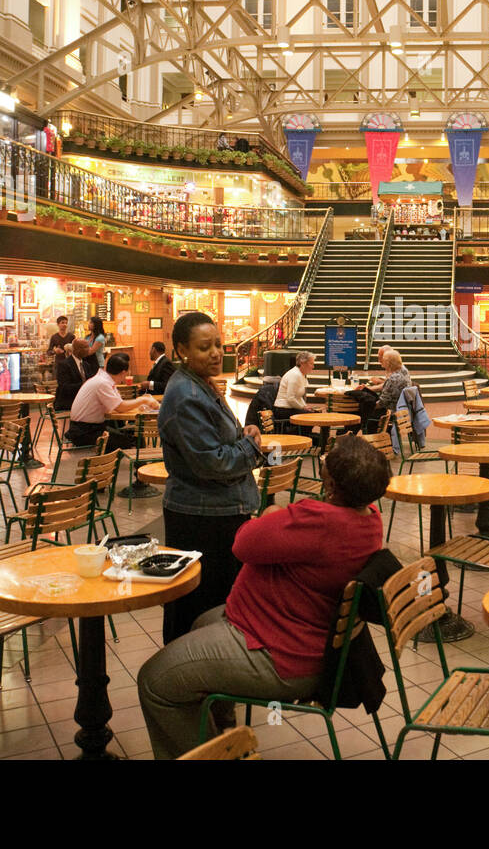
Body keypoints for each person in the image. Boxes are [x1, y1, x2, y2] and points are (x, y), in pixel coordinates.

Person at [137, 433, 390, 758]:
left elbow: (243, 543)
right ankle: (220, 725)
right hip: (301, 635)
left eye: (327, 460)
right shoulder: (369, 517)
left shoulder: (318, 522)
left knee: (155, 681)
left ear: (333, 485)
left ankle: (208, 754)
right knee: (202, 621)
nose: (323, 460)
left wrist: (272, 514)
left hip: (279, 653)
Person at [158, 311, 264, 644]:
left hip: (217, 510)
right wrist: (249, 446)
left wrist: (240, 436)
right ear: (182, 350)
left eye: (218, 344)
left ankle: (206, 681)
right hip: (202, 517)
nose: (216, 353)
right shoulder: (187, 395)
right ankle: (186, 679)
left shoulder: (200, 385)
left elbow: (217, 445)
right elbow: (211, 463)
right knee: (197, 608)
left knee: (215, 602)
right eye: (205, 347)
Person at [66, 352, 157, 449]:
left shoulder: (103, 379)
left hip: (88, 427)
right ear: (123, 372)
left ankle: (139, 463)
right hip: (84, 432)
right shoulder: (103, 383)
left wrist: (140, 401)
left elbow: (118, 404)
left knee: (133, 435)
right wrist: (143, 400)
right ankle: (139, 463)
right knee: (131, 440)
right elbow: (120, 407)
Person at [366, 348, 410, 430]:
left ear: (389, 363)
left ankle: (374, 440)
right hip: (402, 409)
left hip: (391, 412)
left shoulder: (393, 379)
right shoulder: (402, 373)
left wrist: (366, 407)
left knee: (364, 414)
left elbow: (382, 403)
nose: (381, 363)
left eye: (383, 361)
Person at [274, 351, 321, 430]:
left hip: (289, 408)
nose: (313, 367)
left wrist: (305, 406)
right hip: (282, 410)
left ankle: (308, 436)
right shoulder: (295, 375)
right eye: (311, 364)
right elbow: (290, 398)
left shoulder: (301, 374)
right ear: (302, 363)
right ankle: (303, 436)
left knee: (315, 413)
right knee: (311, 416)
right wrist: (303, 407)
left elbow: (298, 397)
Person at [53, 338, 92, 411]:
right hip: (69, 401)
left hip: (84, 400)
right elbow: (64, 387)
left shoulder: (86, 365)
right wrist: (84, 385)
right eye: (86, 347)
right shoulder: (64, 365)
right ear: (77, 350)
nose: (89, 349)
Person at [47, 315, 75, 380]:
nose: (64, 324)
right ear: (58, 324)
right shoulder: (54, 337)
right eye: (62, 322)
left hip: (69, 364)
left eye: (66, 323)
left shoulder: (71, 336)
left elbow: (76, 350)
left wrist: (71, 351)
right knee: (58, 383)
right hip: (59, 364)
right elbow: (48, 352)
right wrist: (55, 351)